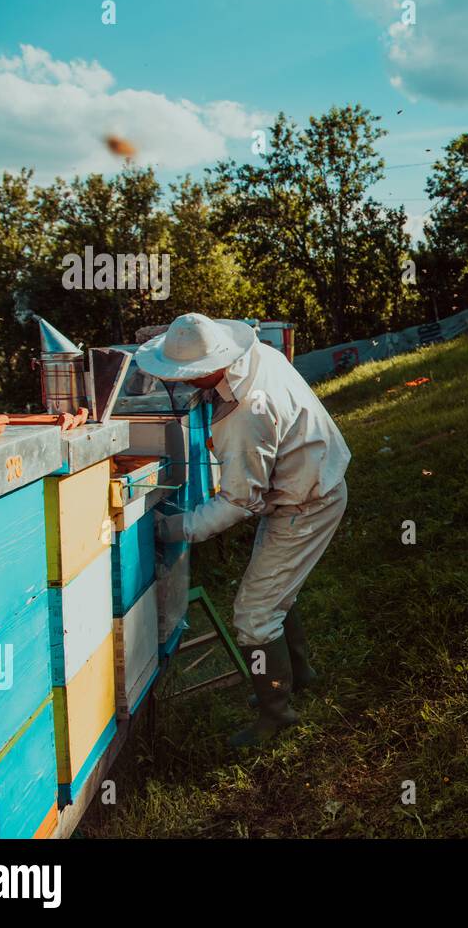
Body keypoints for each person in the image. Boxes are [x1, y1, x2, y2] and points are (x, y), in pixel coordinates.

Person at [135, 314, 351, 748]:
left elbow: (238, 502)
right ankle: (299, 675)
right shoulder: (256, 354)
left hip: (306, 503)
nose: (181, 383)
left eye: (186, 376)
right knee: (272, 592)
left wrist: (171, 527)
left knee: (253, 616)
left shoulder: (245, 414)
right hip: (308, 480)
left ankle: (277, 715)